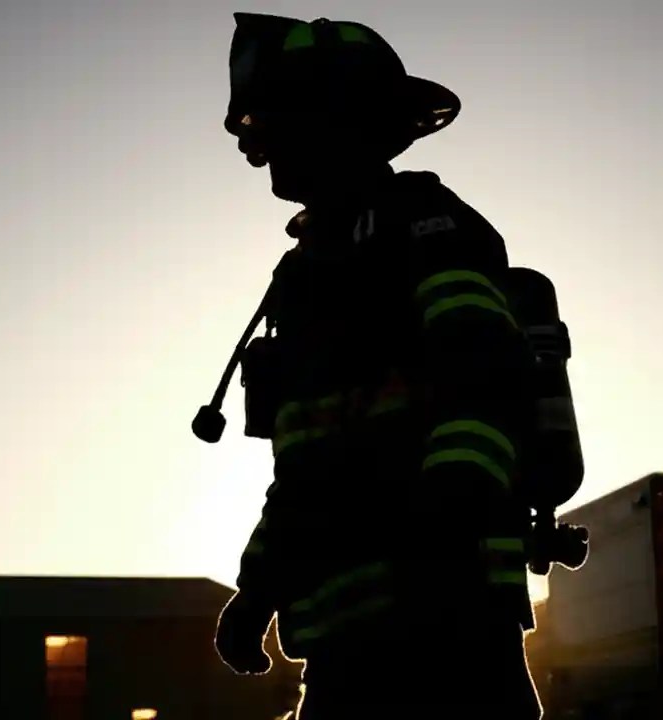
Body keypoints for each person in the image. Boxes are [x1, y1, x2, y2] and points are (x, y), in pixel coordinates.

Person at [212, 13, 543, 720]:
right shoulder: (302, 275)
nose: (267, 148)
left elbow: (487, 375)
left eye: (283, 120)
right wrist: (257, 590)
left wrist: (450, 512)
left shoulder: (426, 225)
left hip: (450, 633)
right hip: (341, 652)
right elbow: (303, 464)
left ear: (340, 120)